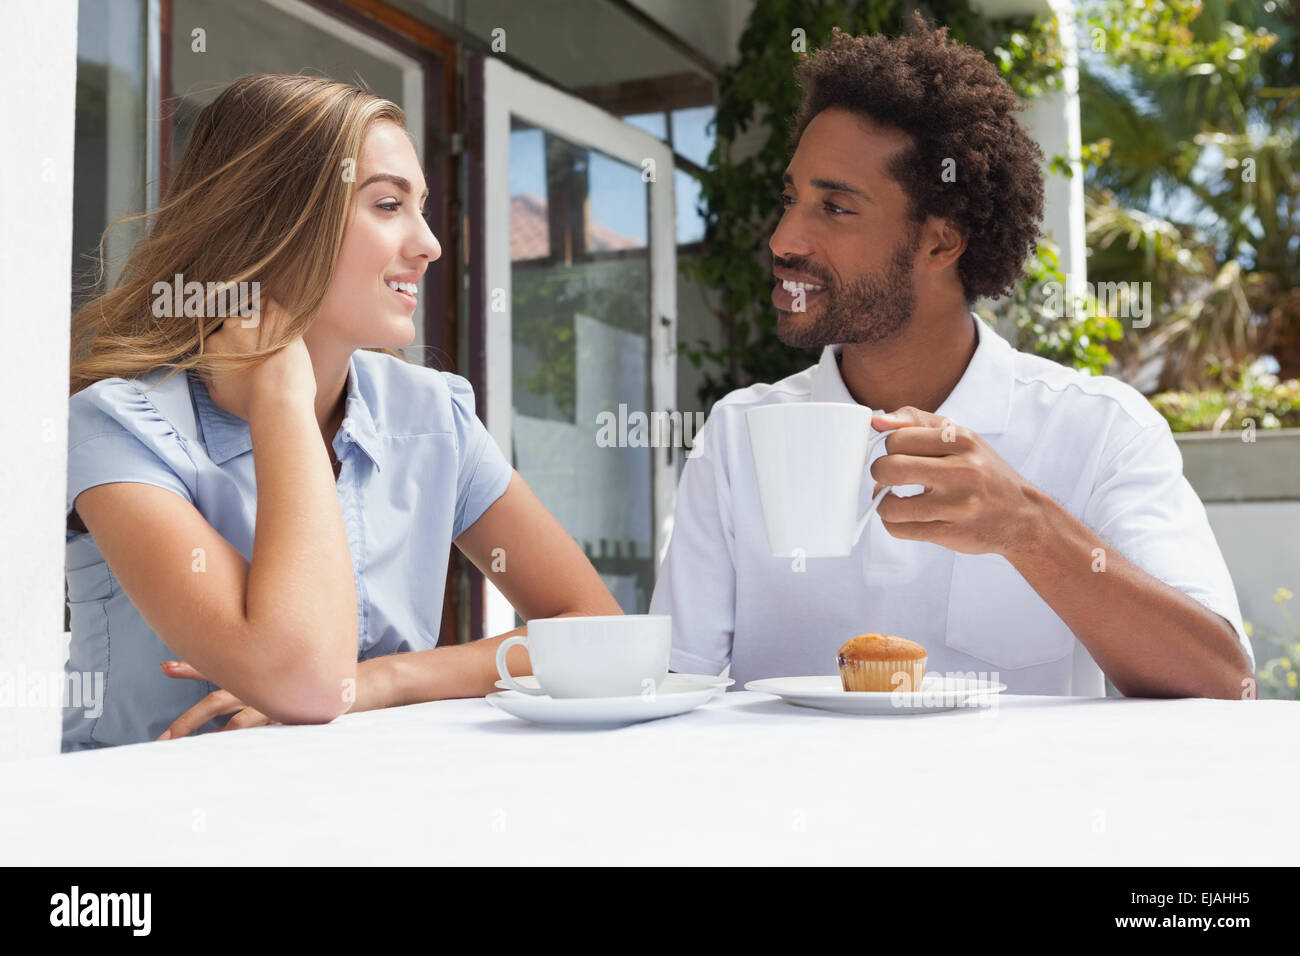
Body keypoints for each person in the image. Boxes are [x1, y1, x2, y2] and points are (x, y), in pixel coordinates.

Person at [650, 20, 1256, 699]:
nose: (784, 238)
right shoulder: (738, 436)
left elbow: (1224, 686)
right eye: (791, 200)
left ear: (941, 243)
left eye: (835, 208)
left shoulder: (1099, 430)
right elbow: (674, 692)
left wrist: (1028, 529)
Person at [65, 74, 620, 749]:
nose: (429, 243)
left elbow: (597, 629)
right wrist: (281, 399)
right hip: (144, 807)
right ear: (272, 222)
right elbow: (304, 681)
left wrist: (383, 680)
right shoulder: (121, 430)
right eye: (387, 205)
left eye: (420, 207)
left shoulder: (430, 417)